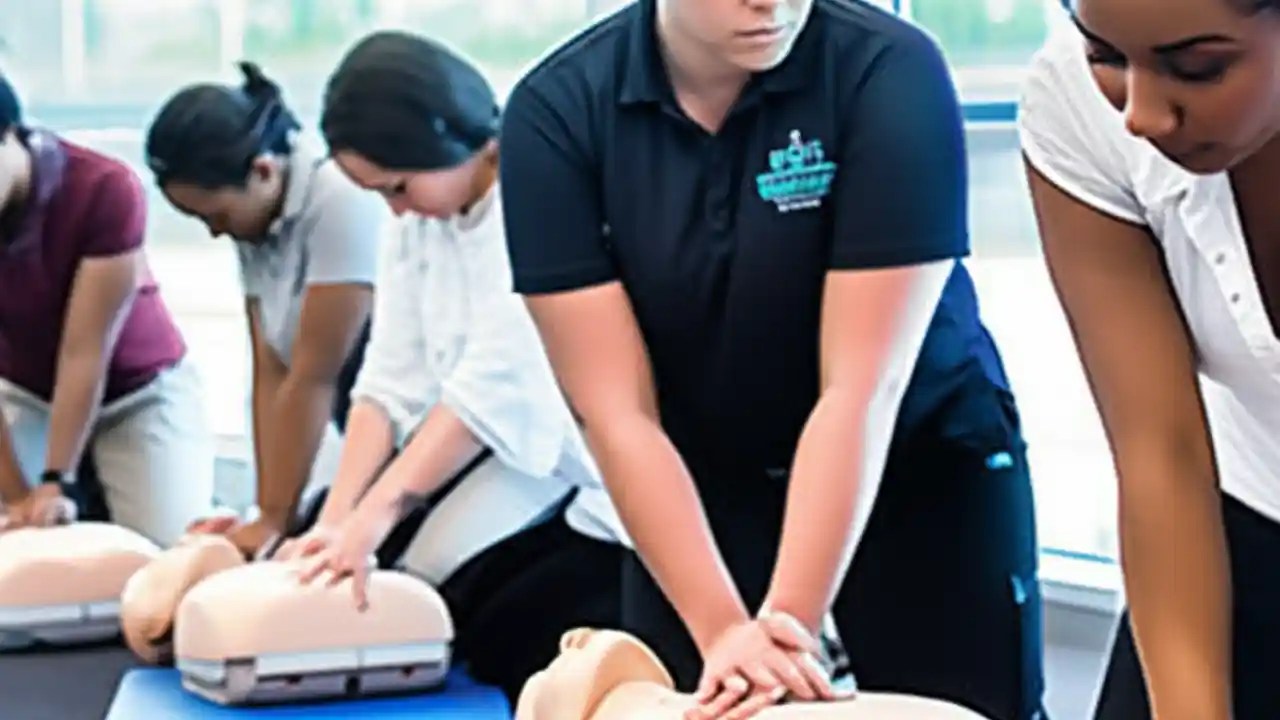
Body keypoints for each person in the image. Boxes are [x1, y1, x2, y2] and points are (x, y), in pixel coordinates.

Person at [499, 1, 1049, 720]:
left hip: (917, 448)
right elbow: (615, 412)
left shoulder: (888, 70)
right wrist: (725, 631)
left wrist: (783, 629)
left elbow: (861, 389)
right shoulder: (557, 114)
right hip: (700, 475)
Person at [273, 30, 630, 704]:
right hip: (502, 451)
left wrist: (373, 518)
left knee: (466, 604)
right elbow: (387, 378)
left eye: (398, 186)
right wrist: (336, 521)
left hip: (575, 459)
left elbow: (491, 389)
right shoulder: (417, 222)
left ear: (448, 141)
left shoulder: (535, 197)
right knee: (347, 545)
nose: (395, 208)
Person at [1019, 2, 1280, 718]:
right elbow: (1159, 453)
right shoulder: (1075, 104)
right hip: (1242, 533)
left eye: (1197, 68)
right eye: (1105, 54)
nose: (1141, 115)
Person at [144, 62, 387, 558]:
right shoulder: (256, 219)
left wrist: (278, 516)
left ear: (263, 170)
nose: (214, 233)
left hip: (387, 418)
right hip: (333, 410)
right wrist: (265, 510)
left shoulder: (339, 198)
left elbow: (313, 374)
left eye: (216, 216)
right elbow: (270, 372)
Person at [0, 71, 214, 546]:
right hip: (22, 390)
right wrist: (17, 496)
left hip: (138, 391)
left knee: (165, 553)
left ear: (9, 136)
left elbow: (85, 351)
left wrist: (57, 479)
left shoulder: (104, 187)